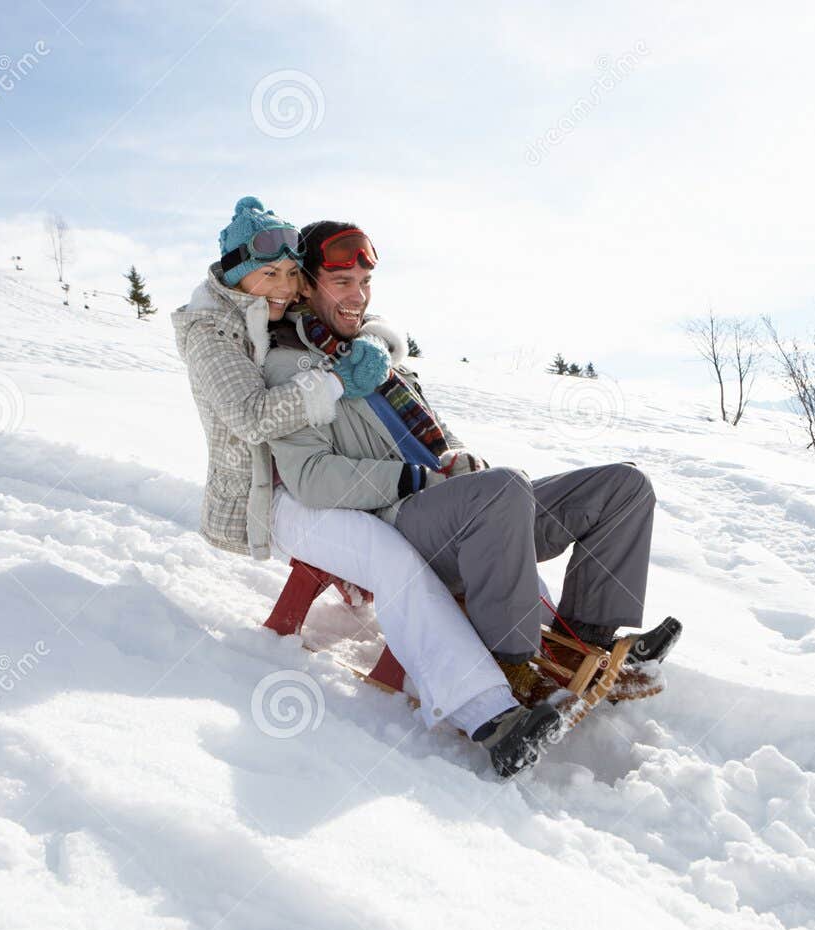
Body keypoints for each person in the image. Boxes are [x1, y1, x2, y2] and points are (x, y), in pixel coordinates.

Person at [261, 221, 683, 752]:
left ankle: (589, 641)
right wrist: (420, 478)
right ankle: (510, 665)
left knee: (622, 487)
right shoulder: (290, 369)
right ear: (306, 285)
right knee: (502, 489)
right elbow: (311, 477)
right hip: (403, 519)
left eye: (364, 281)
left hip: (467, 506)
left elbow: (432, 434)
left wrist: (457, 457)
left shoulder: (374, 355)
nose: (358, 295)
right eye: (341, 281)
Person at [172, 198, 542, 775]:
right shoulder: (210, 331)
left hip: (316, 474)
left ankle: (523, 642)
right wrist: (331, 383)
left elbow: (343, 324)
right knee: (395, 559)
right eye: (268, 273)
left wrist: (368, 354)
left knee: (450, 524)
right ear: (235, 271)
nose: (281, 285)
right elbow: (249, 417)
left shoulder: (281, 311)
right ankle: (488, 714)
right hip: (272, 494)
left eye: (290, 273)